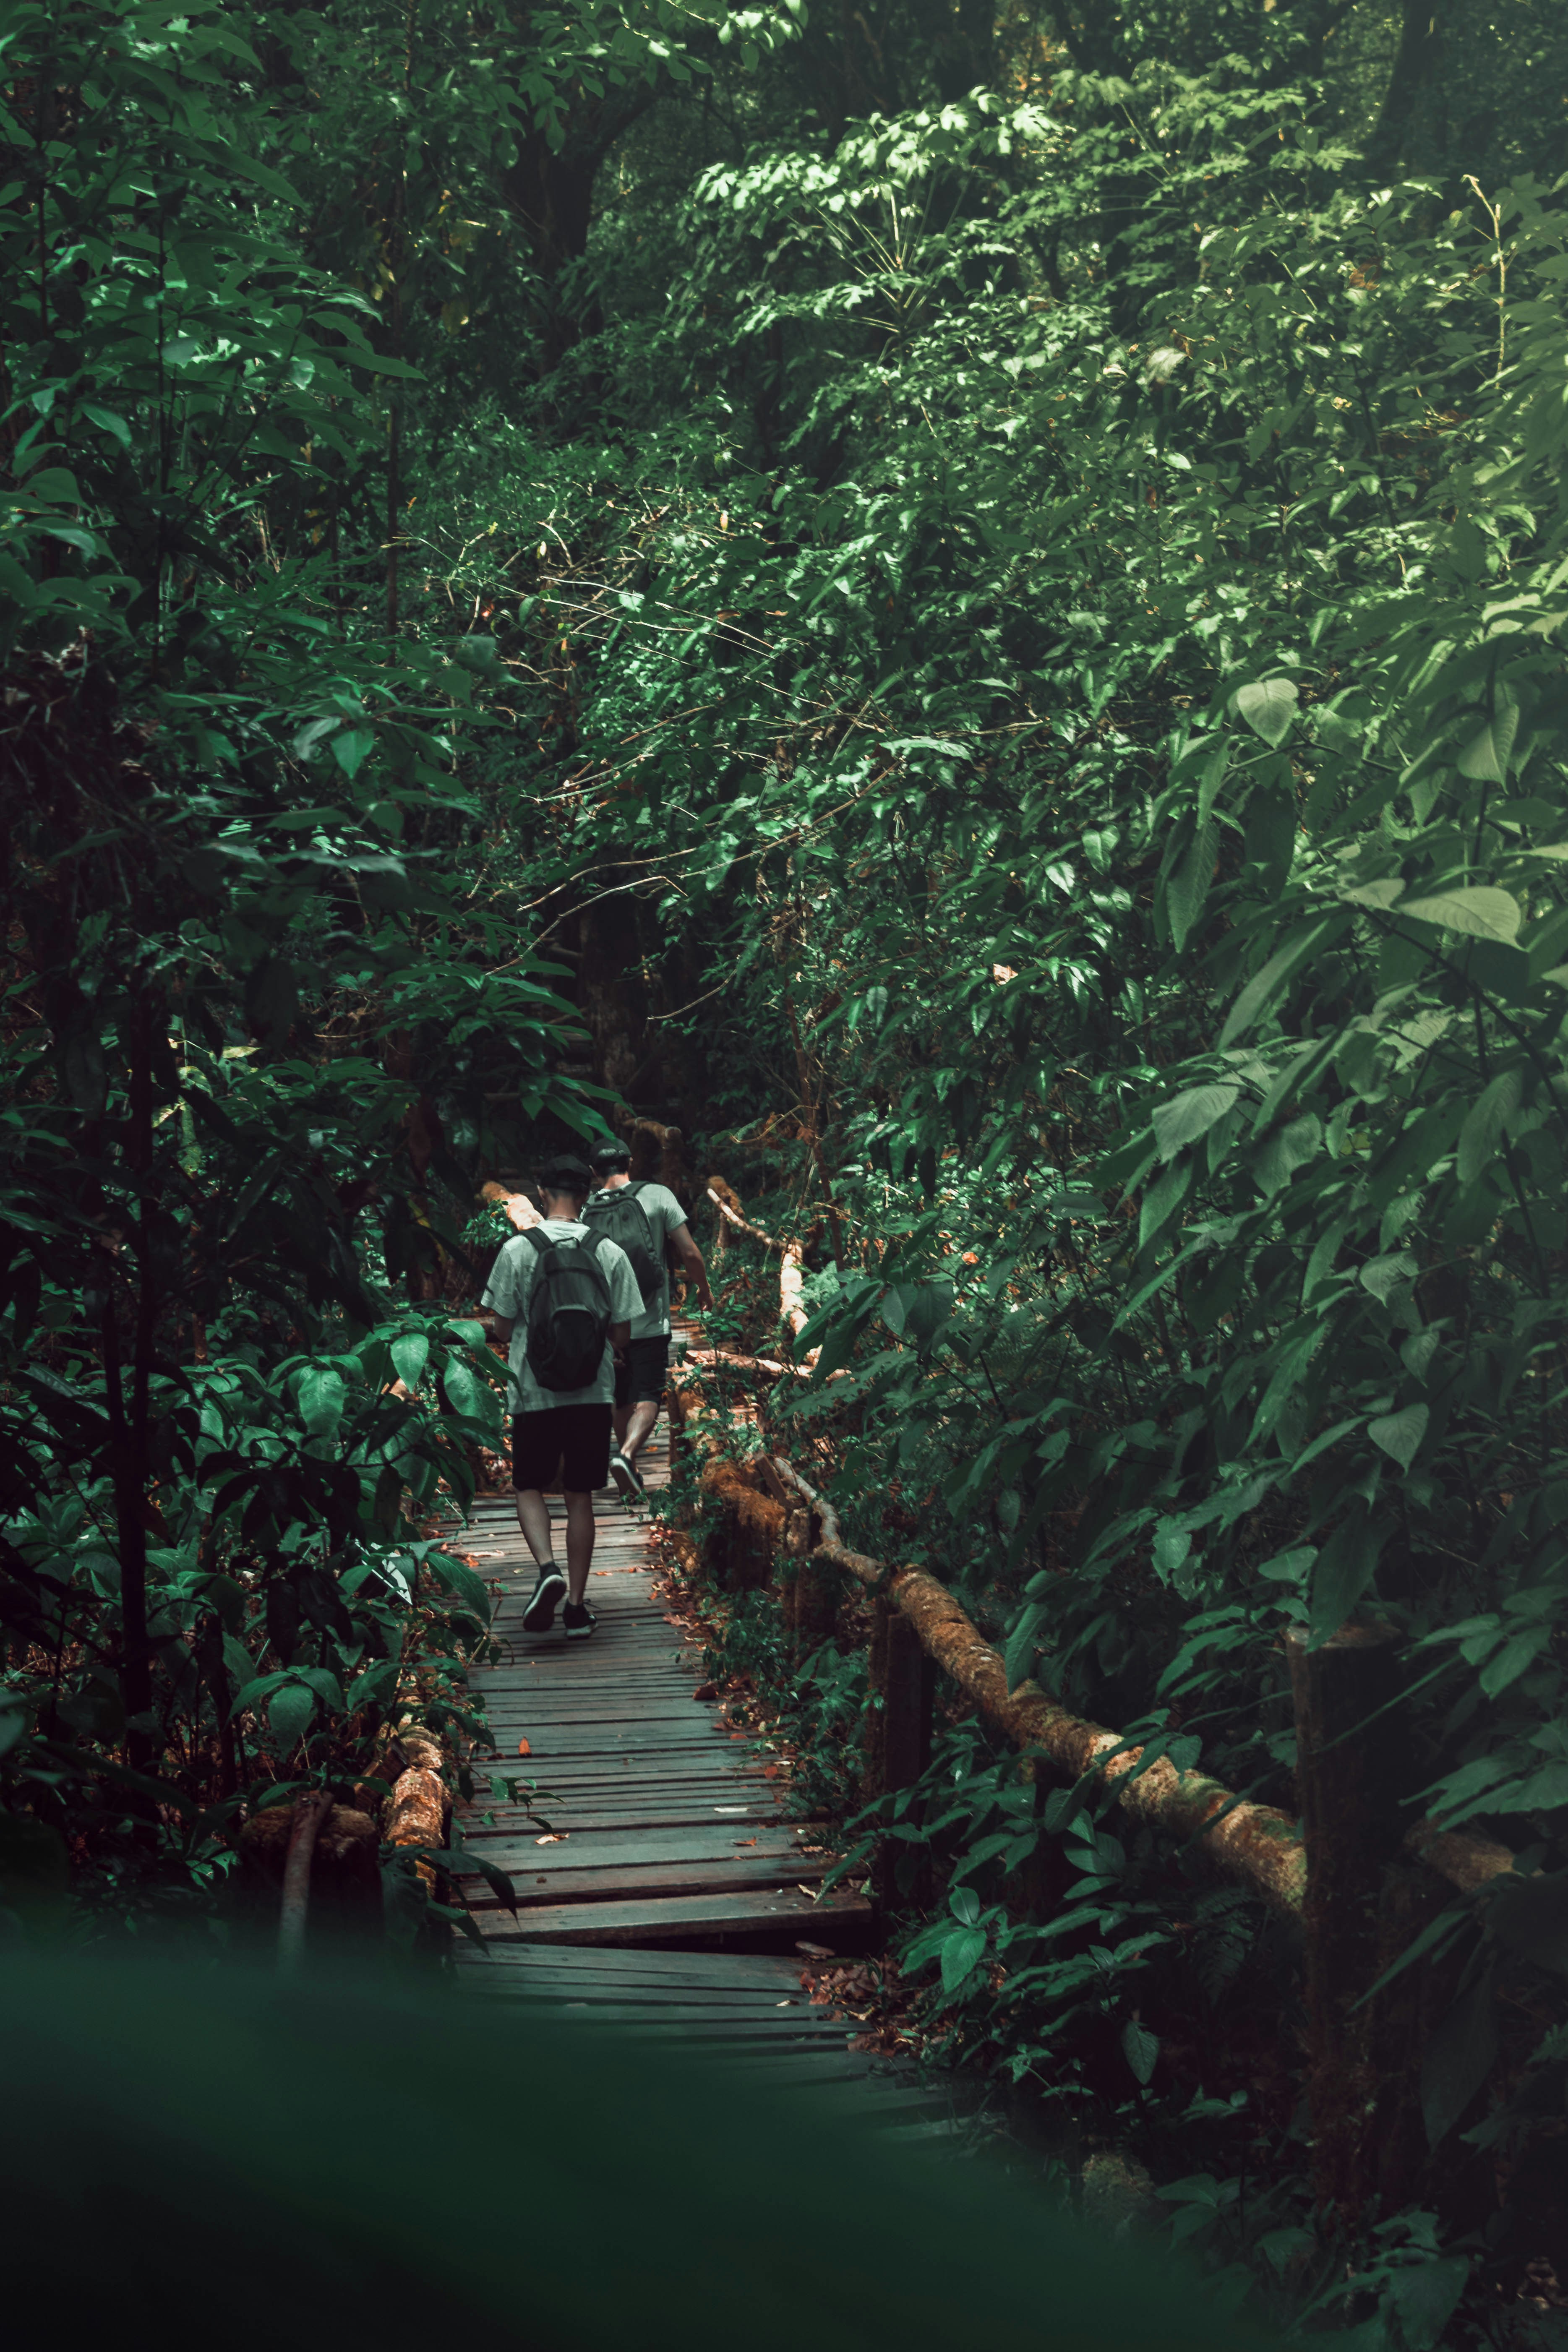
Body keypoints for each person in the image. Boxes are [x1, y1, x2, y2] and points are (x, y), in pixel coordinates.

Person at [480, 1152, 641, 1641]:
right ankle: (574, 1605)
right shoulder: (607, 1250)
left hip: (534, 1391)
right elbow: (622, 1333)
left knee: (528, 1484)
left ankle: (546, 1567)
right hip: (592, 1393)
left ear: (543, 1193)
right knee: (579, 1495)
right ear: (586, 1196)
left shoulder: (517, 1249)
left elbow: (503, 1327)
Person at [583, 1138, 714, 1498]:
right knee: (649, 1391)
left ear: (594, 1172)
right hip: (651, 1316)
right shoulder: (658, 1195)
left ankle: (631, 1471)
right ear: (630, 1162)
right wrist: (703, 1289)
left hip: (609, 1321)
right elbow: (689, 1251)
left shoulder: (588, 1209)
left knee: (621, 1395)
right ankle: (626, 1455)